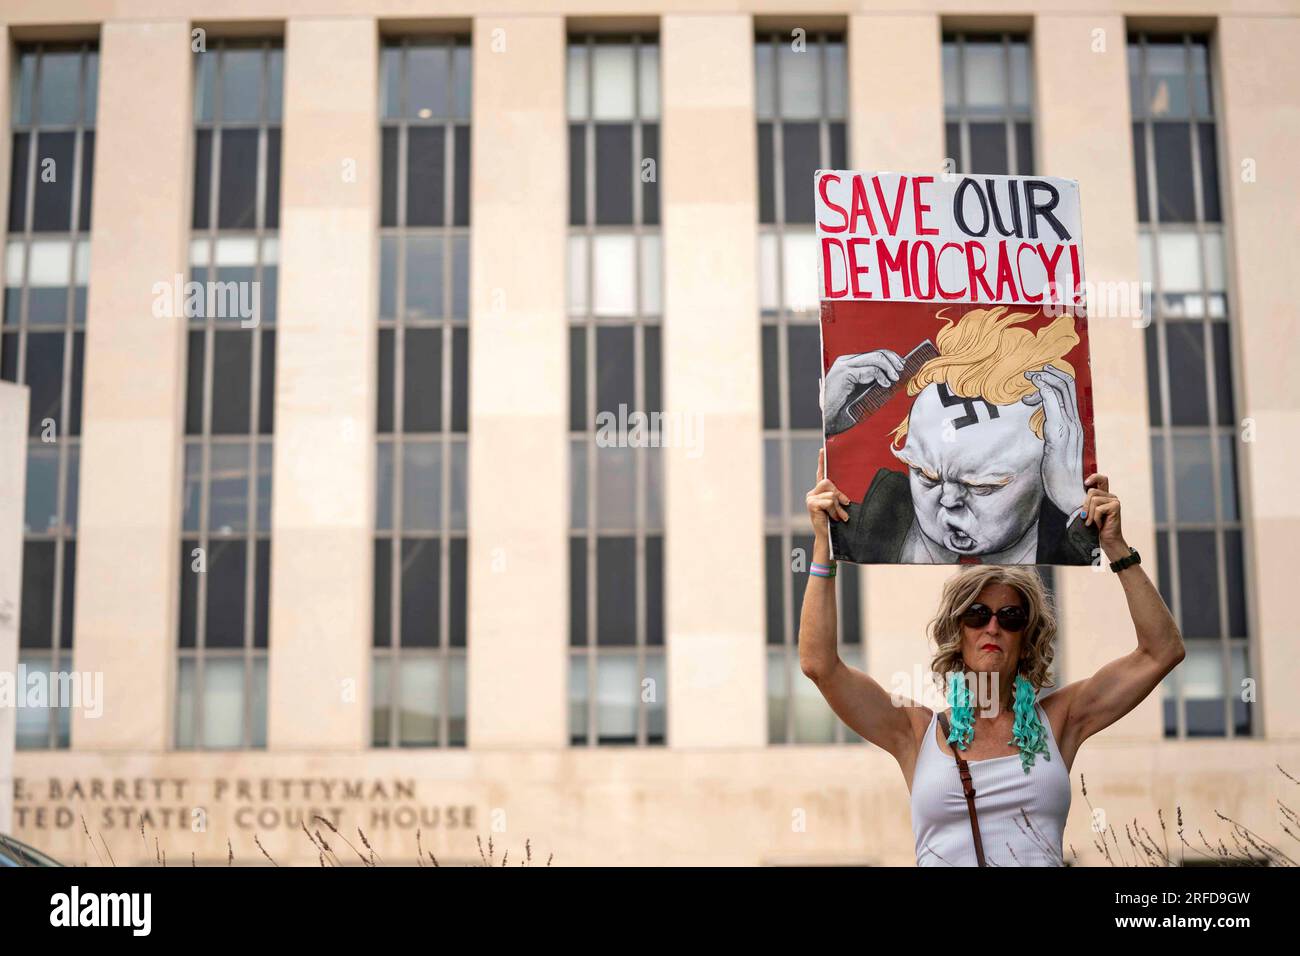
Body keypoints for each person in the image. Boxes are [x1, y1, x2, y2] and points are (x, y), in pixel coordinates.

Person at [799, 448, 1184, 866]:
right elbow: (819, 665)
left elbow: (1161, 652)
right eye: (977, 615)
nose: (993, 627)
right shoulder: (916, 731)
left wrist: (1116, 547)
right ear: (957, 632)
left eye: (1011, 616)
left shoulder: (1060, 720)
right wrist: (824, 544)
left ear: (1027, 636)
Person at [822, 307, 1095, 564]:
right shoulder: (857, 532)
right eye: (926, 475)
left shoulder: (1078, 543)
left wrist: (1074, 506)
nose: (949, 501)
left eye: (982, 486)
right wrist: (829, 431)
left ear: (1048, 471)